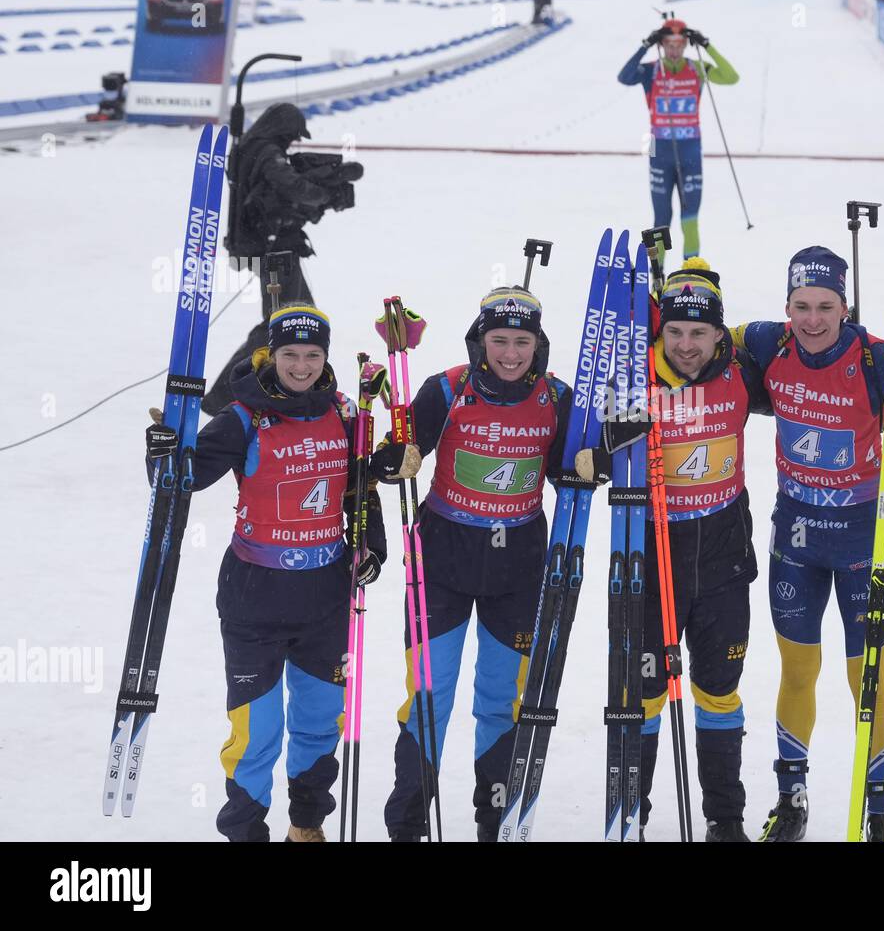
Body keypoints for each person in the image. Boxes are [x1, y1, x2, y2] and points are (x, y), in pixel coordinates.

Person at [730, 247, 884, 842]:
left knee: (870, 679)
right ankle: (792, 798)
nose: (813, 319)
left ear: (845, 306)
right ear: (787, 307)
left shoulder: (877, 360)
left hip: (868, 543)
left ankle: (878, 806)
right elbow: (703, 339)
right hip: (797, 537)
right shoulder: (766, 344)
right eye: (802, 307)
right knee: (797, 671)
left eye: (826, 307)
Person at [145, 303, 386, 841]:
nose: (301, 365)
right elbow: (185, 478)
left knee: (321, 721)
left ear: (325, 358)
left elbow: (359, 489)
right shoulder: (243, 417)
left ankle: (307, 826)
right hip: (255, 596)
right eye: (289, 354)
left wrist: (370, 545)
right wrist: (163, 455)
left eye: (312, 354)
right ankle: (247, 833)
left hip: (326, 597)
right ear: (269, 355)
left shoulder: (346, 413)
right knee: (256, 733)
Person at [371, 288, 573, 842]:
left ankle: (495, 821)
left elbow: (569, 470)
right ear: (481, 340)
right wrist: (398, 457)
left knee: (502, 700)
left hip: (519, 566)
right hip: (442, 560)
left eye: (522, 342)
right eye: (499, 340)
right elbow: (400, 447)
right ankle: (408, 824)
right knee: (430, 696)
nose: (510, 353)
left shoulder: (556, 397)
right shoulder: (448, 387)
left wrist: (590, 459)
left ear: (539, 344)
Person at [576, 258, 768, 841]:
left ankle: (726, 822)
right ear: (660, 332)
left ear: (719, 335)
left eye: (700, 333)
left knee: (719, 689)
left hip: (725, 555)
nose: (687, 345)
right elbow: (587, 460)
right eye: (676, 332)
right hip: (652, 555)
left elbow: (811, 381)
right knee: (645, 692)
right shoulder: (633, 383)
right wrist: (605, 444)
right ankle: (633, 816)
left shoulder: (741, 376)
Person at [207, 103, 362, 415]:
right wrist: (325, 194)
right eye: (291, 134)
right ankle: (224, 394)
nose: (292, 141)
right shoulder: (265, 151)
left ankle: (271, 384)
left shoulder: (254, 148)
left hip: (278, 246)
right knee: (279, 325)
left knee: (300, 316)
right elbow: (290, 185)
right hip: (275, 250)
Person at [617, 19, 739, 260]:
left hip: (690, 150)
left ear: (685, 45)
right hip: (657, 150)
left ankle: (690, 274)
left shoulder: (696, 68)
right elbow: (624, 76)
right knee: (661, 219)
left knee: (690, 219)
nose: (674, 50)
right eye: (668, 45)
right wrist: (644, 45)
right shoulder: (651, 70)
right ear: (661, 45)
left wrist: (706, 45)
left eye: (679, 45)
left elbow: (731, 77)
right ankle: (657, 279)